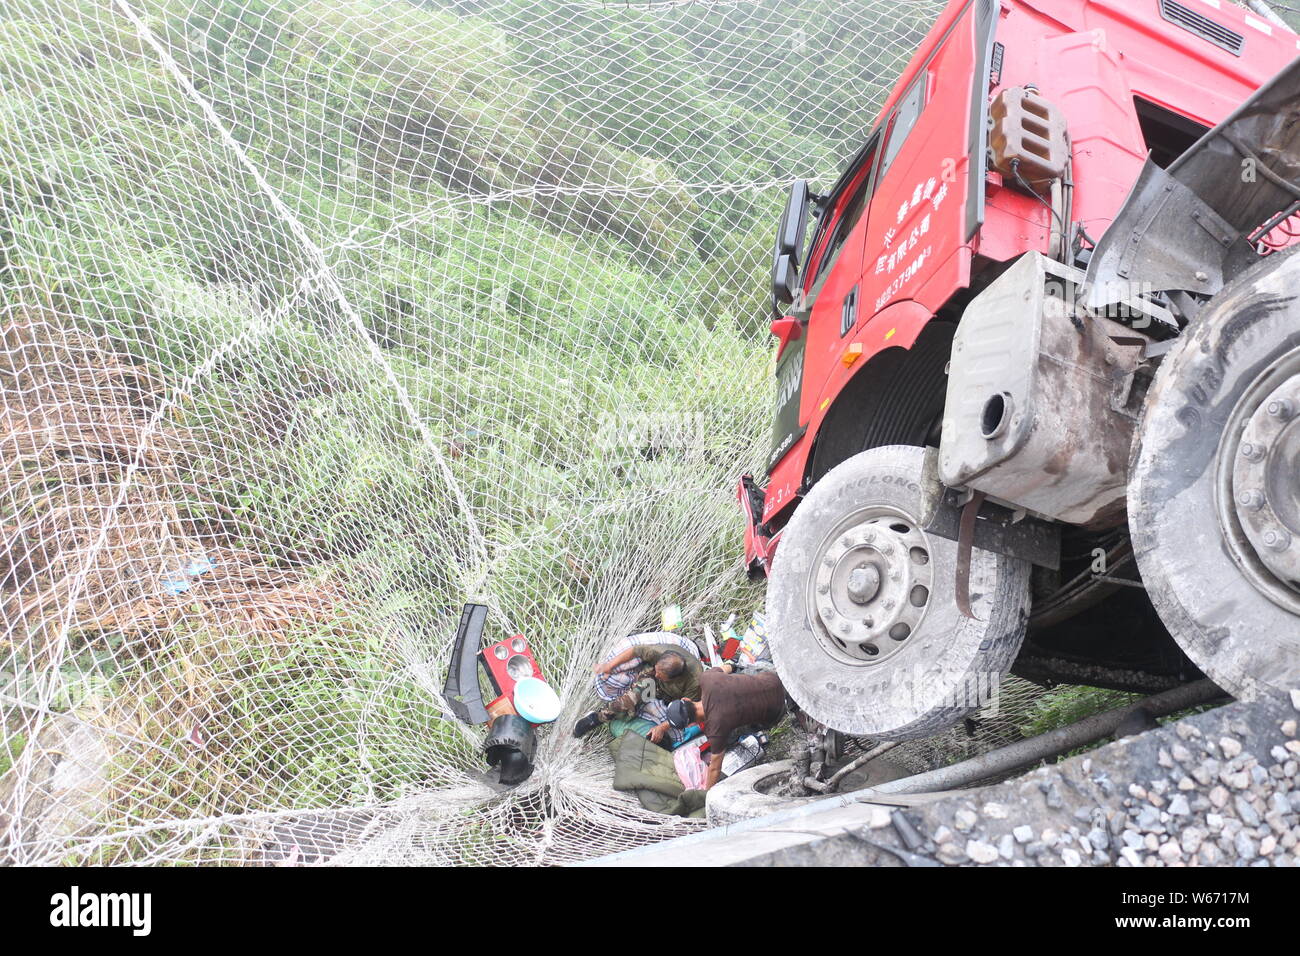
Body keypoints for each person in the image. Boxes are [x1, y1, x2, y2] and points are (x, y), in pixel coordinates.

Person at [666, 663, 787, 789]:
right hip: (772, 678)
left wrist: (706, 795)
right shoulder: (707, 678)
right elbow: (728, 666)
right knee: (739, 674)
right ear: (686, 700)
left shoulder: (715, 729)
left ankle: (758, 736)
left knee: (730, 737)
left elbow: (714, 769)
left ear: (691, 724)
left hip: (778, 711)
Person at [573, 641, 703, 742]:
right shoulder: (659, 653)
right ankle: (597, 718)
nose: (658, 674)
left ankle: (620, 716)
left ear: (674, 678)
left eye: (661, 674)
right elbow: (634, 651)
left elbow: (685, 711)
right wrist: (608, 666)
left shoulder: (694, 681)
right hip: (651, 682)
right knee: (629, 701)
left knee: (662, 732)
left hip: (673, 698)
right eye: (657, 670)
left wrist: (662, 728)